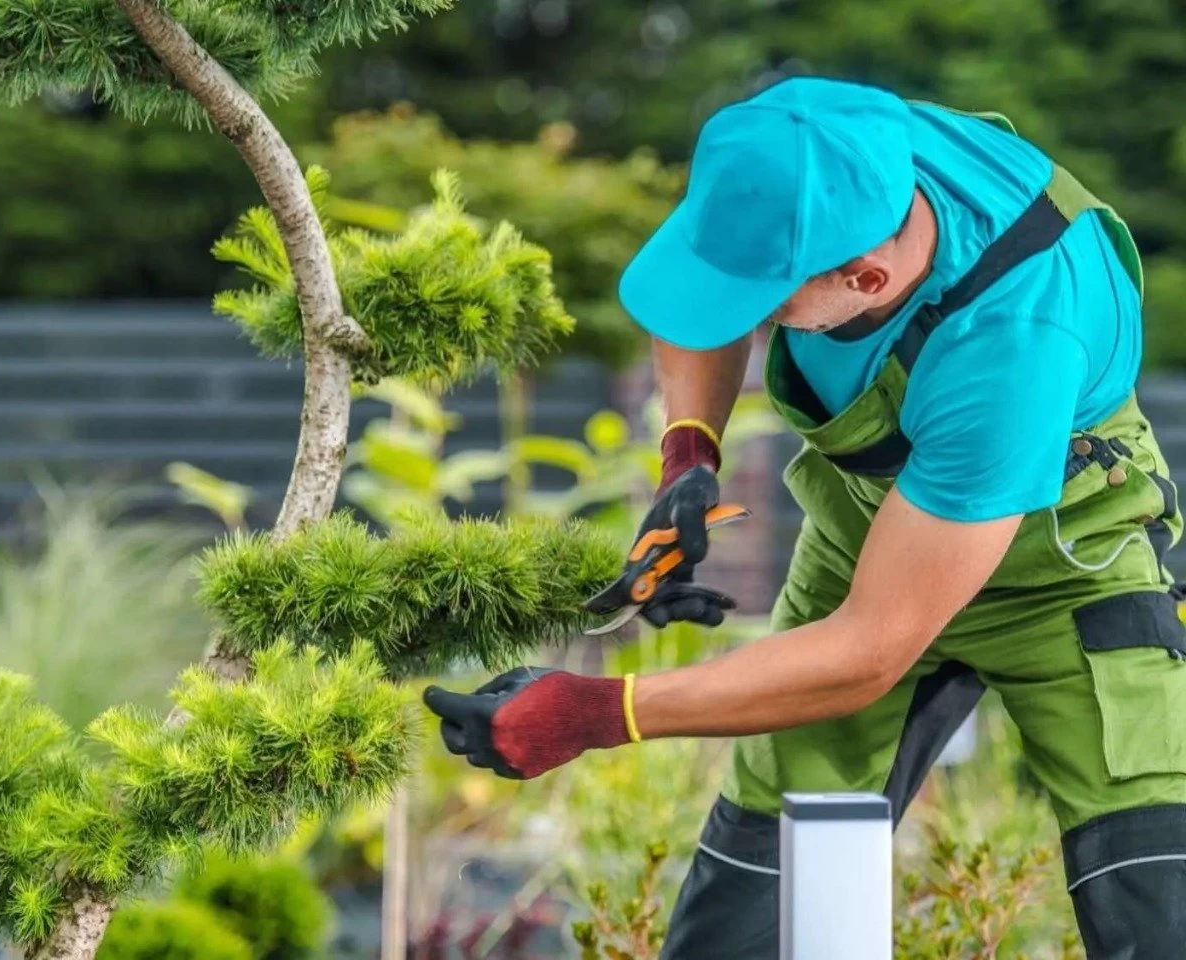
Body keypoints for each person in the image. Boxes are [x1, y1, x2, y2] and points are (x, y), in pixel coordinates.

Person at [422, 75, 1186, 959]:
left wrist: (593, 712)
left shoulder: (1014, 343)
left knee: (1155, 901)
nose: (749, 319)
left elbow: (868, 650)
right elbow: (704, 289)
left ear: (867, 279)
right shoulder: (809, 155)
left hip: (1066, 568)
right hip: (869, 537)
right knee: (749, 906)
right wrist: (688, 456)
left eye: (769, 304)